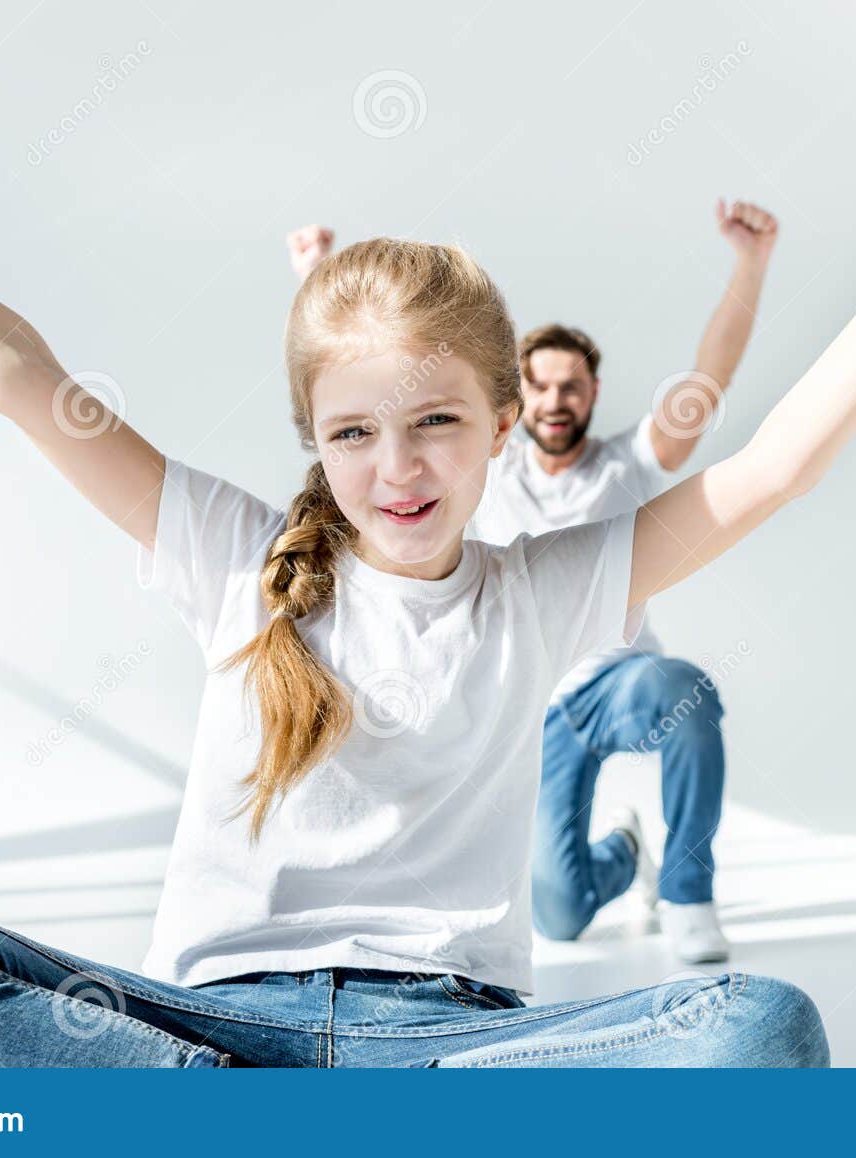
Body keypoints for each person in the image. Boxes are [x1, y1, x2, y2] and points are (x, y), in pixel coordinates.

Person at [0, 36, 856, 1066]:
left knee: (757, 1029)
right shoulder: (230, 554)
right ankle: (222, 1117)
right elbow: (15, 370)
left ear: (503, 428)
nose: (395, 468)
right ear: (313, 435)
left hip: (452, 1048)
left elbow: (770, 469)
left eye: (436, 424)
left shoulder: (546, 594)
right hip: (195, 1035)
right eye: (355, 431)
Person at [290, 202, 779, 965]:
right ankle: (626, 854)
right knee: (558, 911)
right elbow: (359, 378)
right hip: (530, 700)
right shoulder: (481, 461)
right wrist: (316, 275)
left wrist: (751, 264)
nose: (558, 399)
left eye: (573, 385)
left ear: (591, 392)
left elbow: (707, 380)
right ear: (512, 409)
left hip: (620, 679)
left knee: (683, 694)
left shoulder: (630, 463)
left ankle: (689, 892)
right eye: (542, 386)